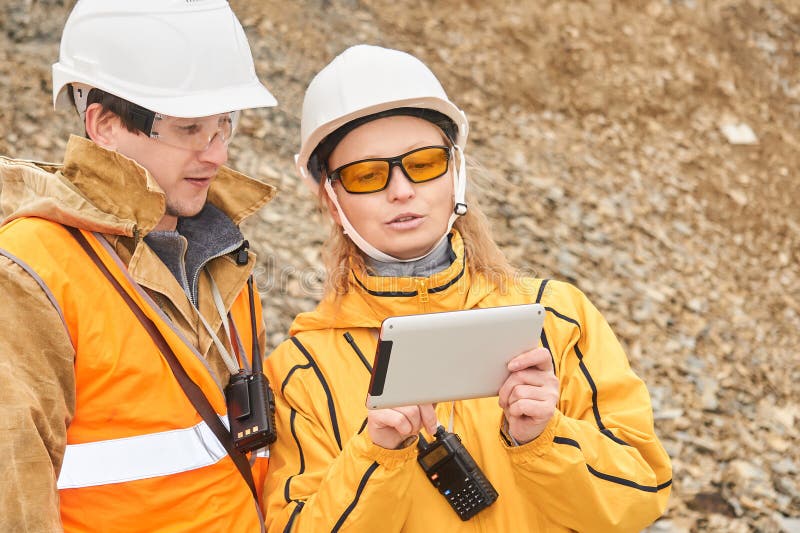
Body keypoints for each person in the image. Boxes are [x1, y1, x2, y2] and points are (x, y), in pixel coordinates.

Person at [262, 44, 672, 532]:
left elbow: (640, 497)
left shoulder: (557, 316)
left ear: (454, 172)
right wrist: (375, 456)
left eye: (424, 162)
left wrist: (545, 437)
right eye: (366, 174)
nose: (401, 190)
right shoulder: (303, 369)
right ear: (332, 200)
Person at [0, 1, 278, 531]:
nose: (217, 154)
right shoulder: (28, 275)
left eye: (225, 125)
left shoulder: (223, 257)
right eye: (190, 127)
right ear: (104, 124)